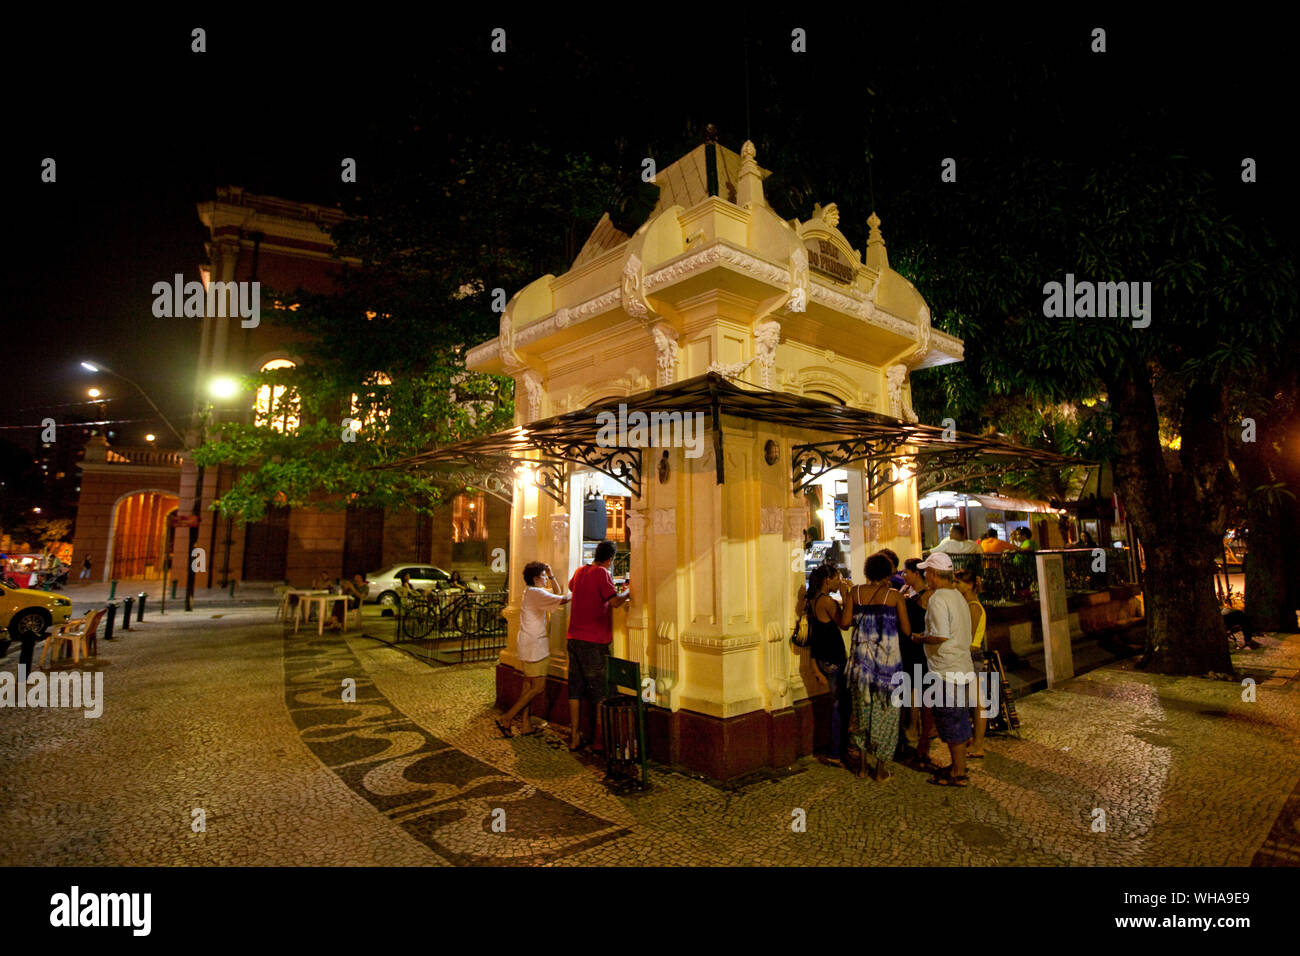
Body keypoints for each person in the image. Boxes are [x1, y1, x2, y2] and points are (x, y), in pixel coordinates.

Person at [911, 552, 975, 787]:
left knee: (951, 721)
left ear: (935, 575)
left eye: (927, 572)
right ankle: (958, 767)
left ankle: (959, 773)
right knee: (958, 719)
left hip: (946, 670)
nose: (925, 576)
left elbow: (940, 635)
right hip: (961, 667)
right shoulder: (958, 596)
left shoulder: (938, 599)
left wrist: (920, 638)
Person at [845, 553, 911, 781]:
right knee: (888, 715)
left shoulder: (855, 593)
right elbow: (906, 630)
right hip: (888, 667)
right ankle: (880, 769)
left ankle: (862, 767)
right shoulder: (894, 597)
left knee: (862, 714)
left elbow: (844, 623)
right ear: (886, 573)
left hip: (860, 665)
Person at [566, 540, 629, 753]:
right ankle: (601, 742)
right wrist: (629, 591)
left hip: (573, 638)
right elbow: (615, 602)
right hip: (593, 642)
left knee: (575, 690)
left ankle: (574, 736)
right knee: (601, 692)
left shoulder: (580, 571)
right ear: (610, 558)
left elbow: (571, 587)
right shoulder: (602, 573)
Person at [497, 561, 571, 737]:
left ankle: (525, 724)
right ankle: (507, 718)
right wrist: (580, 591)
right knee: (538, 687)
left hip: (527, 645)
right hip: (535, 647)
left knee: (527, 686)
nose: (546, 578)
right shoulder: (537, 594)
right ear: (536, 578)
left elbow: (557, 592)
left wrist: (551, 574)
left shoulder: (531, 592)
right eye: (544, 576)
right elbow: (562, 599)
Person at [796, 565, 852, 767]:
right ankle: (836, 751)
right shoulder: (827, 601)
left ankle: (837, 749)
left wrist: (814, 666)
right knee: (840, 706)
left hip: (823, 658)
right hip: (834, 659)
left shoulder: (813, 600)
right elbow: (846, 622)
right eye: (838, 578)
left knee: (838, 704)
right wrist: (848, 596)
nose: (840, 581)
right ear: (828, 580)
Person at [900, 558, 937, 765]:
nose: (903, 576)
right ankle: (912, 729)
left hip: (920, 646)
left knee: (922, 692)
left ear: (916, 573)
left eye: (906, 572)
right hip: (909, 647)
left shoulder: (928, 596)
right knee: (911, 689)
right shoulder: (907, 591)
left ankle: (921, 733)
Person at [955, 568, 988, 760]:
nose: (955, 586)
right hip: (969, 656)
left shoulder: (974, 606)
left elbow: (970, 638)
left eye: (958, 583)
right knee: (972, 702)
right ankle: (974, 741)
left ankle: (979, 744)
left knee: (977, 702)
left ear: (968, 585)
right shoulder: (967, 604)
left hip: (972, 657)